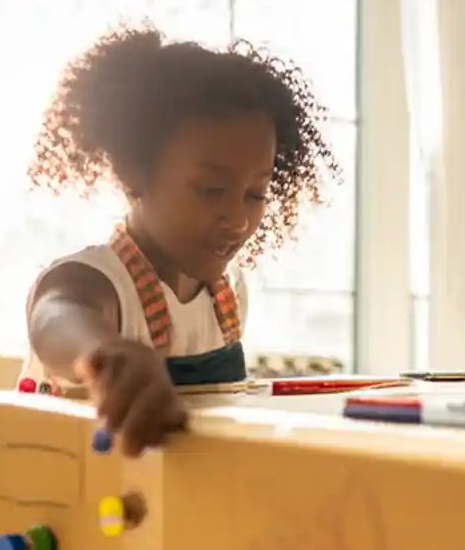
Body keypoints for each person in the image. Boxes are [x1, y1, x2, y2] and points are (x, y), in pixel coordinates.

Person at [22, 24, 338, 453]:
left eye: (255, 194)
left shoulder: (227, 297)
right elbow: (56, 316)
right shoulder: (93, 282)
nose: (237, 220)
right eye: (211, 190)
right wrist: (105, 352)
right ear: (134, 172)